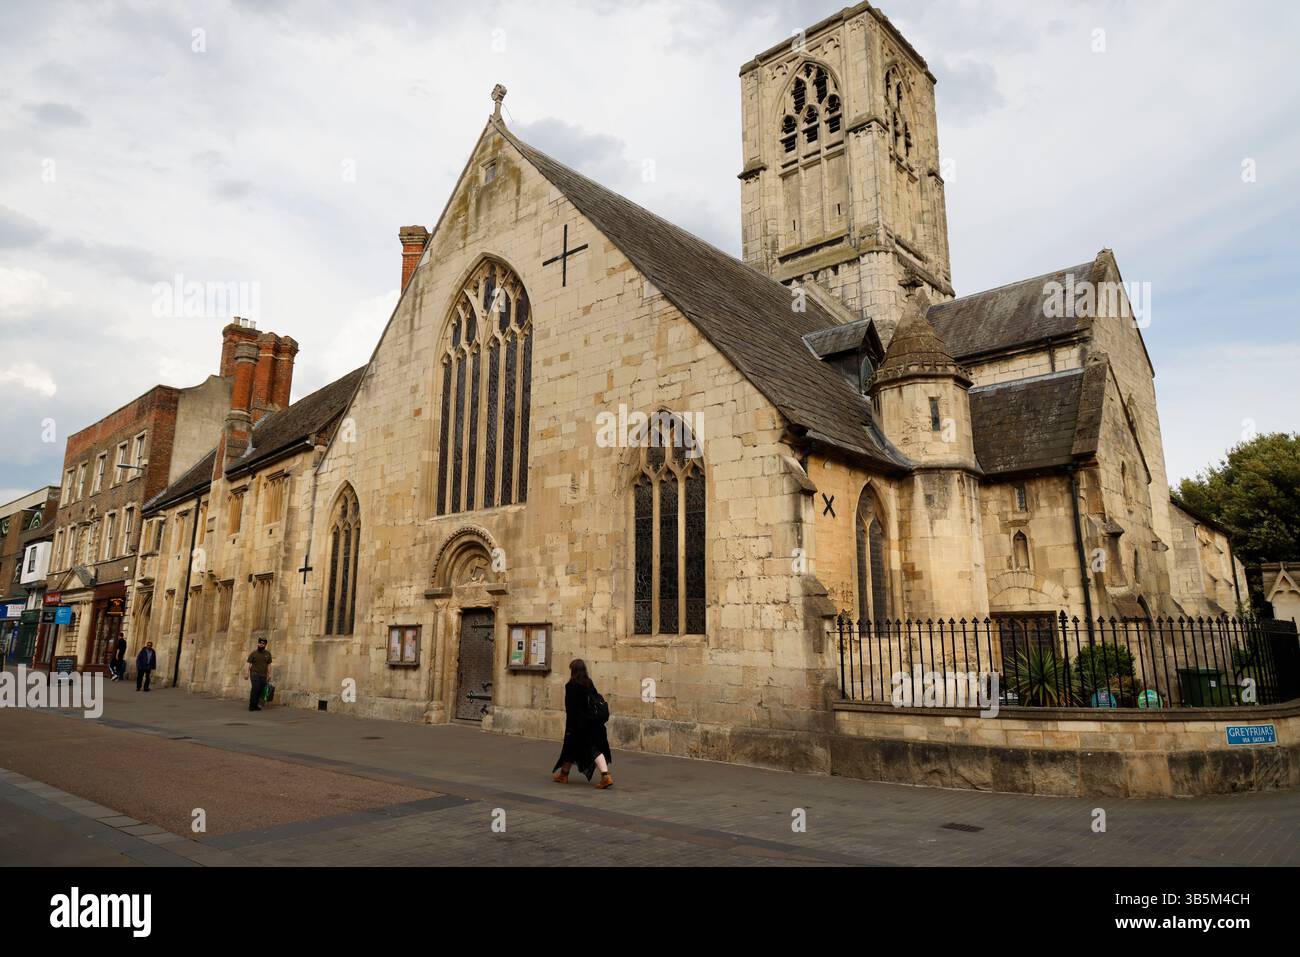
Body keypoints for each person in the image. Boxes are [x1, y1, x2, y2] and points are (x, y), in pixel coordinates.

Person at [552, 658, 613, 789]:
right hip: (594, 722)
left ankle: (605, 776)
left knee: (591, 749)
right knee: (570, 748)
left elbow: (571, 710)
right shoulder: (588, 683)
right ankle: (564, 774)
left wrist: (569, 729)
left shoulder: (571, 686)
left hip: (579, 725)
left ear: (573, 671)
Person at [243, 637, 273, 712]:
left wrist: (269, 674)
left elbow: (269, 665)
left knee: (260, 690)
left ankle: (256, 705)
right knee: (255, 688)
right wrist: (246, 673)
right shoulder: (254, 653)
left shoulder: (268, 654)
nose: (261, 645)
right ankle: (251, 706)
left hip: (263, 675)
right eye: (260, 643)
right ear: (258, 643)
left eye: (263, 644)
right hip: (254, 674)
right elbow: (248, 663)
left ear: (265, 645)